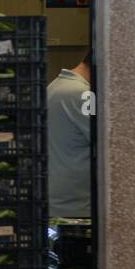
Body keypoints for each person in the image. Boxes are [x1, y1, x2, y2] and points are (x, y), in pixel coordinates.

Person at [47, 50, 92, 218]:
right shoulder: (85, 95)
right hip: (76, 206)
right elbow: (107, 142)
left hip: (60, 201)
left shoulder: (56, 86)